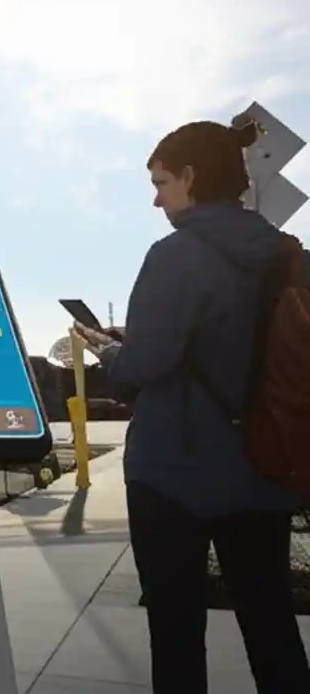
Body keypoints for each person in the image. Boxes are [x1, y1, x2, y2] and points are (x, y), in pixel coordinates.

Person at [72, 119, 310, 693]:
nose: (157, 199)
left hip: (173, 477)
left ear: (191, 176)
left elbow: (142, 369)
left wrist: (109, 354)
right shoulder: (288, 255)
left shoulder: (174, 256)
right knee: (272, 624)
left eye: (161, 183)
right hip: (265, 466)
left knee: (177, 634)